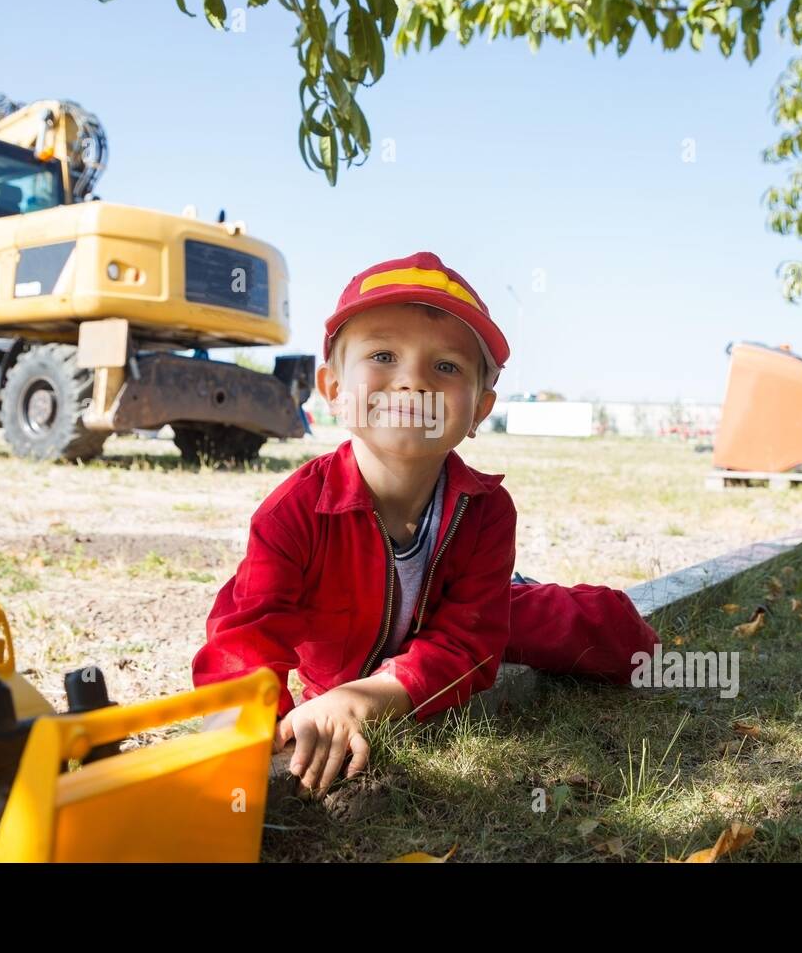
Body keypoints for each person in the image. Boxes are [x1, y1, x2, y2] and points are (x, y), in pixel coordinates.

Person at [192, 251, 658, 797]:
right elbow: (243, 638)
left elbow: (468, 645)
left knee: (619, 643)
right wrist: (257, 734)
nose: (413, 382)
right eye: (383, 354)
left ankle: (593, 614)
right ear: (335, 389)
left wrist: (369, 698)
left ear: (480, 409)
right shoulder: (296, 511)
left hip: (468, 610)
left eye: (446, 367)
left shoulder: (485, 510)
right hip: (354, 657)